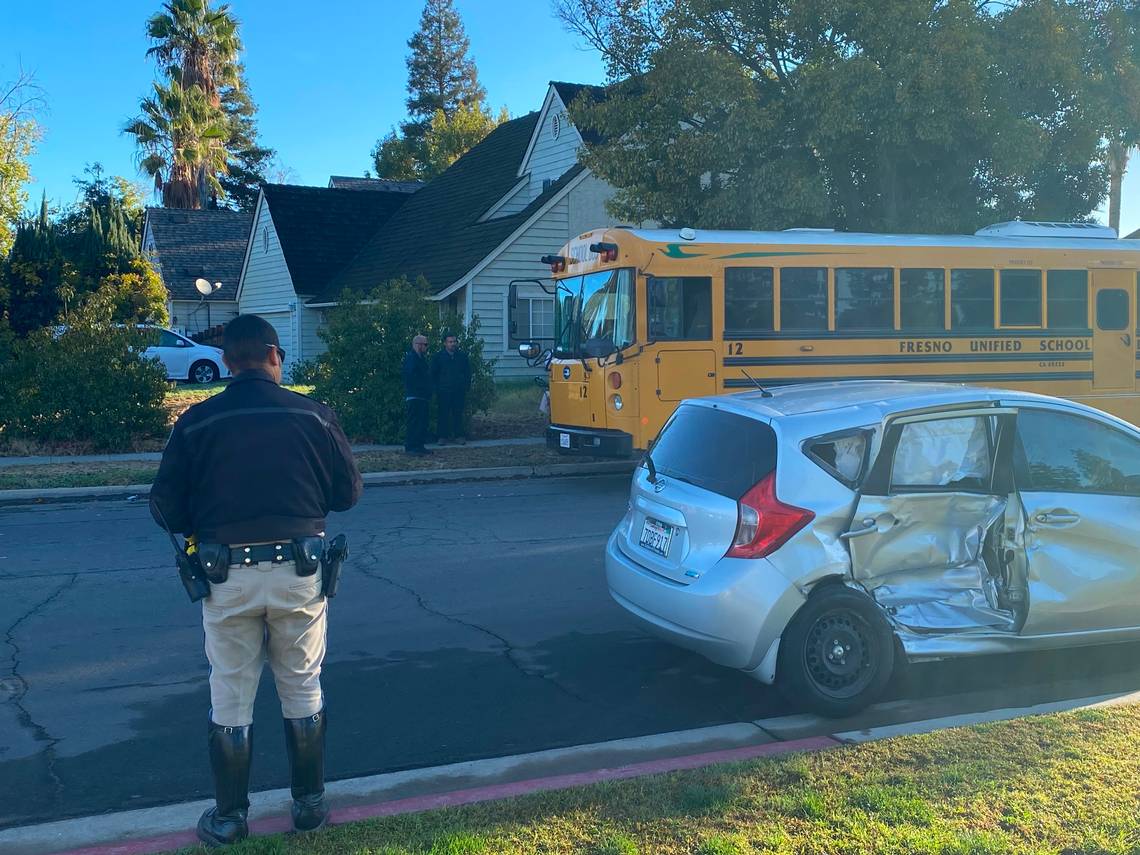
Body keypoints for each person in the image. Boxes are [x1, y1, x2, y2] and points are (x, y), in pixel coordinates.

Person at [149, 315, 362, 846]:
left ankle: (229, 819)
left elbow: (165, 507)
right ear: (274, 356)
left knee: (230, 695)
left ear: (226, 361)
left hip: (226, 576)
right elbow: (346, 495)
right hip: (300, 572)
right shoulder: (314, 417)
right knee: (302, 687)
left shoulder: (196, 424)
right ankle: (309, 808)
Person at [431, 333, 472, 445]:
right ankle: (442, 437)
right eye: (450, 342)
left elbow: (467, 373)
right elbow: (433, 374)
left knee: (457, 414)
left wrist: (466, 386)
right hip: (443, 391)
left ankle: (459, 436)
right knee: (443, 414)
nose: (453, 344)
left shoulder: (462, 357)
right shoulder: (438, 357)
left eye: (454, 341)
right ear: (445, 343)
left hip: (458, 390)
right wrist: (436, 389)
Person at [402, 333, 432, 455]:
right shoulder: (411, 358)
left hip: (422, 396)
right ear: (418, 345)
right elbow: (411, 377)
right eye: (425, 344)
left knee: (421, 422)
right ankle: (411, 446)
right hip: (415, 395)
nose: (426, 347)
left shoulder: (421, 359)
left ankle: (419, 445)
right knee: (414, 422)